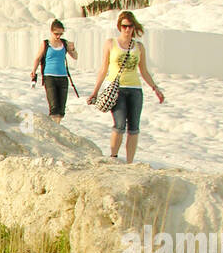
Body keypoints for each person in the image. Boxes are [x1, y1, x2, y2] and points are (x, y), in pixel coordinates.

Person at [87, 10, 164, 162]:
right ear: (119, 27)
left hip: (135, 89)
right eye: (124, 26)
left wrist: (156, 88)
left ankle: (129, 163)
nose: (127, 29)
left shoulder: (139, 47)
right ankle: (114, 157)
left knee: (134, 128)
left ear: (134, 27)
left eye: (130, 26)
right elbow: (104, 68)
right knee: (120, 124)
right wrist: (95, 92)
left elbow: (144, 71)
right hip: (116, 89)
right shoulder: (111, 43)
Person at [30, 19, 76, 122]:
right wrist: (34, 71)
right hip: (49, 76)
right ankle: (55, 130)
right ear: (51, 31)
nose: (58, 36)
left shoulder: (64, 43)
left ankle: (57, 128)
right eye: (56, 34)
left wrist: (72, 49)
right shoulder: (46, 44)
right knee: (54, 107)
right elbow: (38, 58)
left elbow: (75, 57)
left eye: (61, 34)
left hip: (63, 77)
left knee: (61, 110)